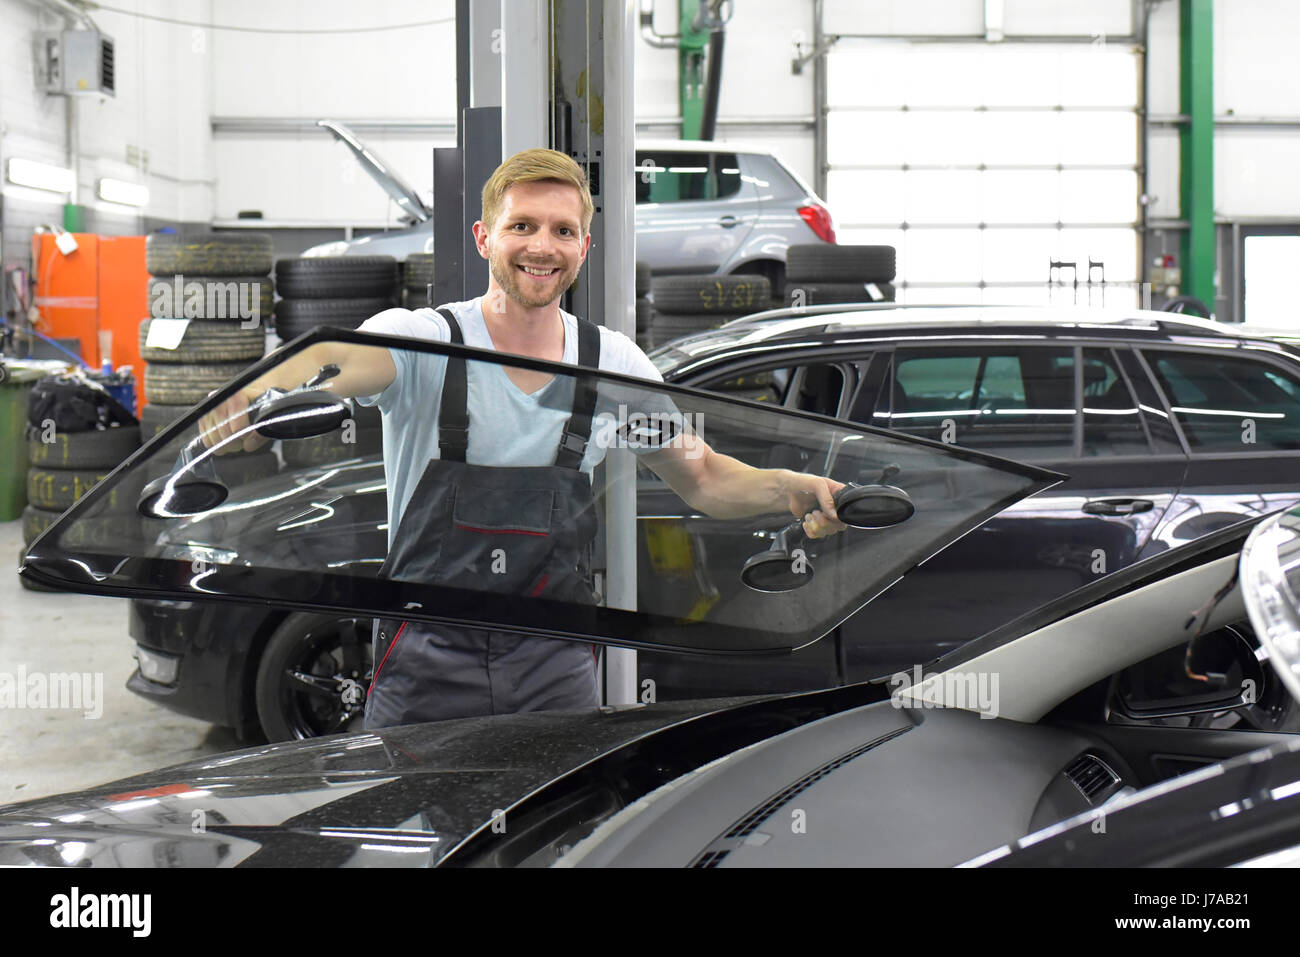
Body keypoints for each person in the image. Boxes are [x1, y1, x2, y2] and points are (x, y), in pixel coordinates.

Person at [199, 148, 846, 729]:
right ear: (484, 238)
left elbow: (702, 477)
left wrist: (788, 487)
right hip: (425, 655)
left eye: (564, 230)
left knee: (555, 837)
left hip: (554, 661)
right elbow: (340, 359)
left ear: (584, 248)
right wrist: (258, 400)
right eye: (522, 226)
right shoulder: (424, 340)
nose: (543, 245)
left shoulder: (611, 366)